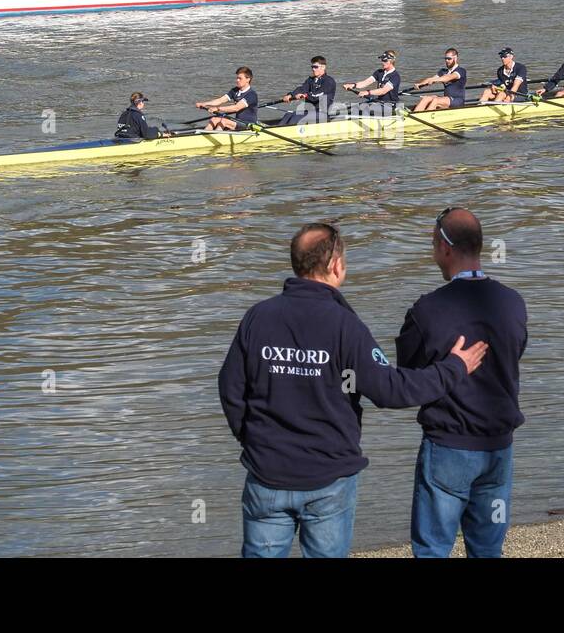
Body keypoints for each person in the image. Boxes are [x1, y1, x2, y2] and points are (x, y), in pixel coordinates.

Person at [219, 223, 489, 558]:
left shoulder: (258, 318)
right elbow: (390, 389)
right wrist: (454, 368)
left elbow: (230, 388)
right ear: (335, 265)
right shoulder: (346, 326)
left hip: (267, 475)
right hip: (327, 479)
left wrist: (251, 437)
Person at [396, 208, 527, 558]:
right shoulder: (513, 304)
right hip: (498, 446)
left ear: (445, 248)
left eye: (432, 242)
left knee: (432, 549)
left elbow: (406, 378)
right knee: (487, 548)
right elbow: (514, 356)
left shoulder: (426, 311)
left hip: (448, 447)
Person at [196, 66, 259, 131]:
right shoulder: (235, 90)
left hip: (248, 124)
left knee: (224, 121)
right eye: (237, 78)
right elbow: (220, 100)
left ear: (248, 79)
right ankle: (202, 135)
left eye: (240, 78)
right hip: (237, 122)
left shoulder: (251, 95)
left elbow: (236, 108)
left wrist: (218, 108)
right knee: (214, 119)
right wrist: (204, 104)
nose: (237, 80)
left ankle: (216, 137)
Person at [279, 56, 336, 126]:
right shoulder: (310, 80)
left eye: (315, 67)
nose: (313, 69)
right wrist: (290, 95)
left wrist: (304, 95)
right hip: (310, 111)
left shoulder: (329, 81)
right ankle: (274, 130)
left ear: (323, 67)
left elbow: (317, 95)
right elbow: (302, 89)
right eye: (312, 67)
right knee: (288, 115)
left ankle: (287, 132)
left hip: (322, 113)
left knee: (296, 117)